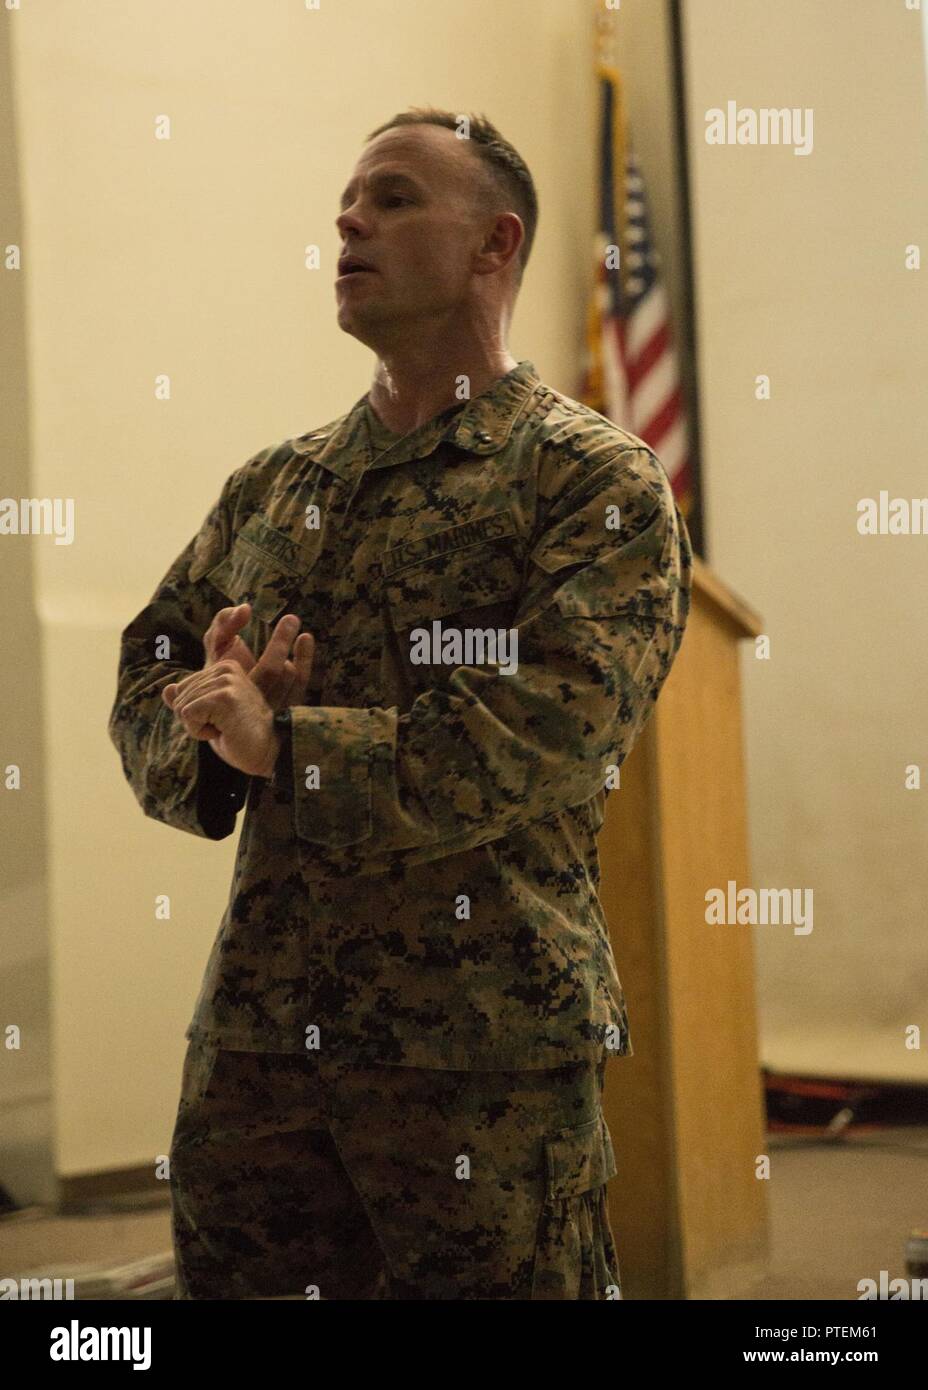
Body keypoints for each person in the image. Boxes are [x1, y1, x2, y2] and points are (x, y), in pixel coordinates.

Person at [107, 107, 693, 1300]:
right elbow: (148, 666)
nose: (348, 218)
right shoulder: (279, 484)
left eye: (392, 196)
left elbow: (557, 723)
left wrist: (296, 746)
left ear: (494, 245)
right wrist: (216, 730)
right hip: (264, 1045)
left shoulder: (592, 481)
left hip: (482, 1046)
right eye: (347, 199)